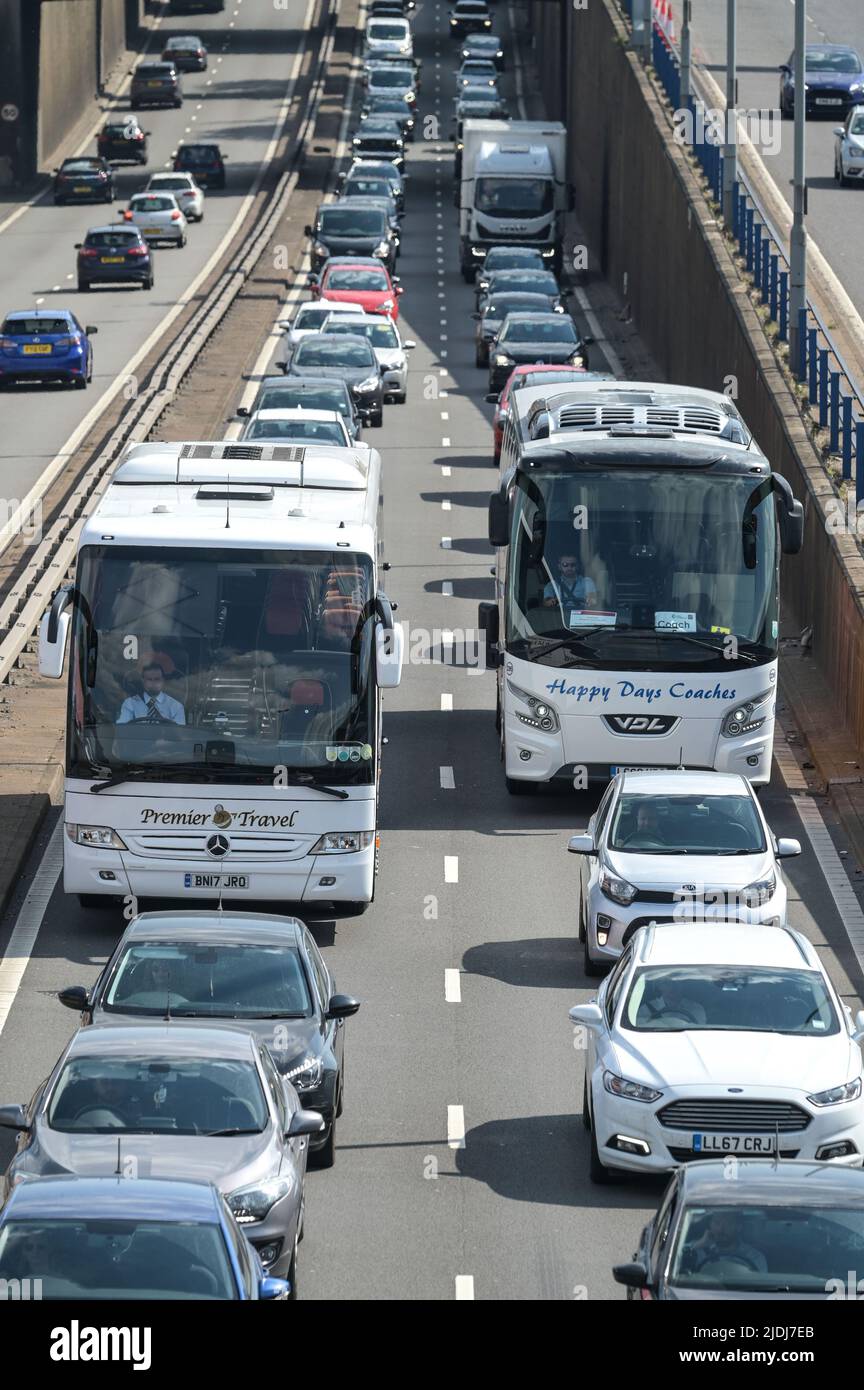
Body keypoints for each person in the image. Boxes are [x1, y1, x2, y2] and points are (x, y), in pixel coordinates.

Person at [689, 1211, 768, 1274]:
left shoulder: (754, 1256)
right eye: (717, 1223)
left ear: (738, 1227)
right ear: (710, 1225)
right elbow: (679, 1267)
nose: (721, 1229)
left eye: (728, 1223)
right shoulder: (696, 1248)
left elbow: (760, 1287)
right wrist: (697, 1245)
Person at [117, 662, 185, 725]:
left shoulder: (176, 707)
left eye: (157, 679)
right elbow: (122, 729)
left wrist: (164, 724)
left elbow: (179, 735)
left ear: (163, 681)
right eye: (149, 679)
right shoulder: (130, 703)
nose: (153, 683)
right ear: (143, 681)